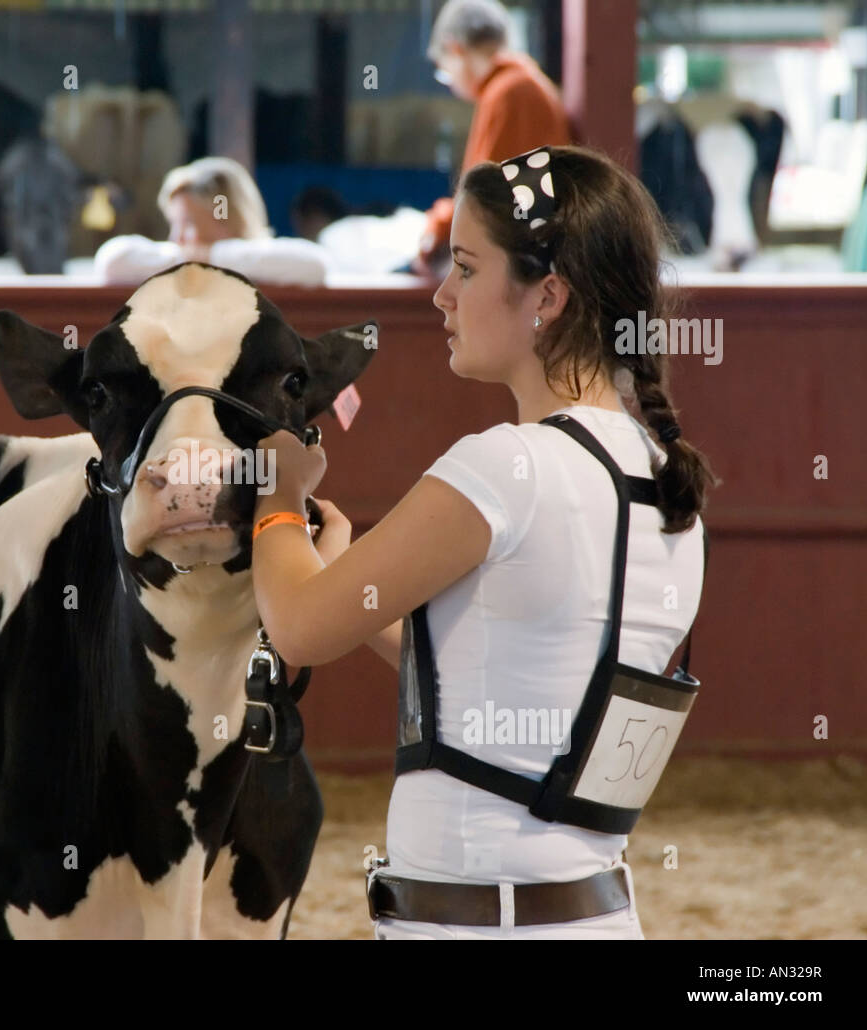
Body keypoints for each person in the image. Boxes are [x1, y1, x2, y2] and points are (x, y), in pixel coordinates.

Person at [250, 144, 717, 939]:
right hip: (590, 917)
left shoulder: (506, 466)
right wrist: (347, 572)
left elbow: (293, 625)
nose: (441, 295)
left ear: (548, 295)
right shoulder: (664, 480)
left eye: (466, 268)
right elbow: (501, 679)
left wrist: (278, 496)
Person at [412, 0, 572, 277]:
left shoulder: (511, 93)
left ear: (455, 49)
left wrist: (436, 231)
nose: (450, 83)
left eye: (444, 70)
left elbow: (485, 197)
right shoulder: (517, 85)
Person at [93, 156, 332, 286]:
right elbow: (113, 259)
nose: (176, 238)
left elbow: (314, 265)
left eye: (188, 224)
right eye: (173, 224)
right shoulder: (179, 263)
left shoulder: (270, 263)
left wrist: (210, 256)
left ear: (226, 218)